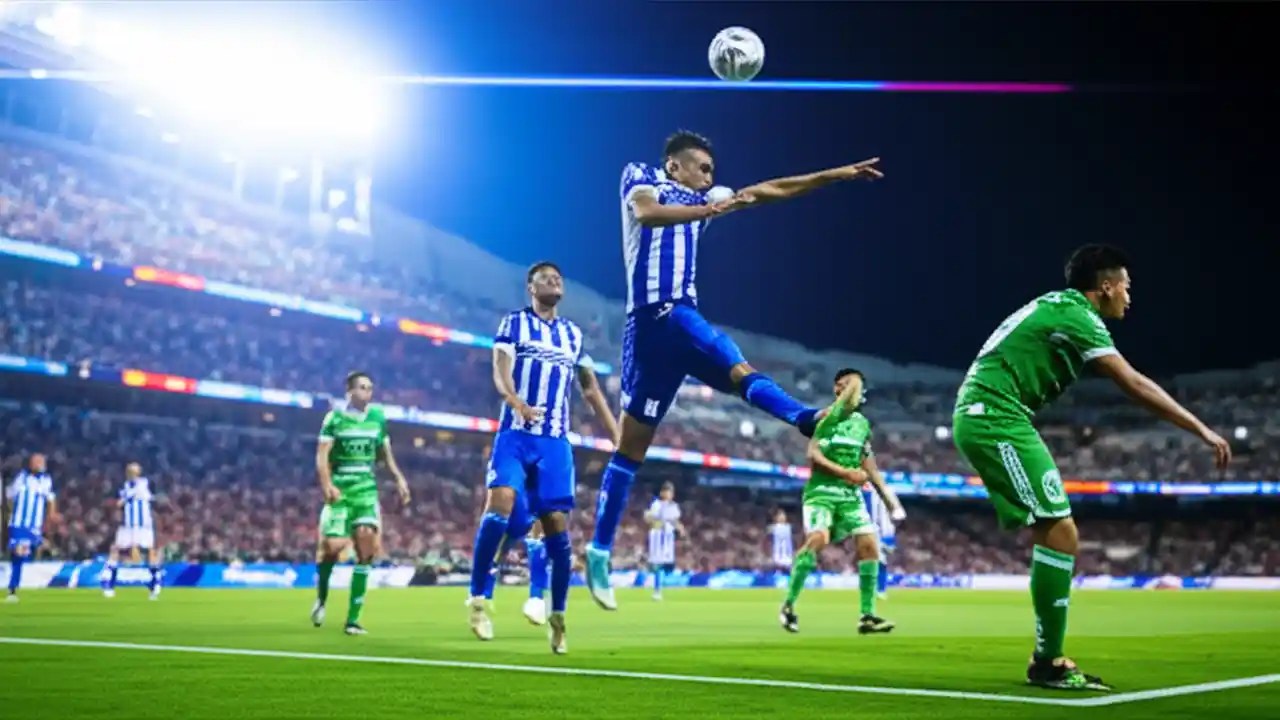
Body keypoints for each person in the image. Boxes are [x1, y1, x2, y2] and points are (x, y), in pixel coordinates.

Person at [587, 130, 883, 610]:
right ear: (675, 165)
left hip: (682, 318)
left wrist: (835, 175)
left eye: (712, 172)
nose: (710, 177)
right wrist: (708, 209)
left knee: (734, 364)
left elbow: (772, 190)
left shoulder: (711, 200)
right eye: (702, 168)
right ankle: (599, 549)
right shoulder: (642, 176)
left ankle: (804, 418)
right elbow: (645, 212)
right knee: (629, 449)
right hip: (649, 322)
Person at [952, 244, 1232, 691]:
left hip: (996, 415)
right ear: (1105, 286)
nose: (1129, 297)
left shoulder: (1058, 306)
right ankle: (1048, 662)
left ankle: (1048, 659)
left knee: (1056, 530)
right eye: (1126, 286)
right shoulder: (1079, 316)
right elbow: (1134, 383)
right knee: (1059, 529)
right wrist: (1200, 428)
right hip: (994, 417)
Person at [468, 261, 619, 654]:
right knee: (499, 506)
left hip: (555, 443)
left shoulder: (572, 335)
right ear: (530, 286)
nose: (554, 281)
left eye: (559, 278)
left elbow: (590, 390)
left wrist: (617, 435)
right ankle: (479, 600)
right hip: (516, 435)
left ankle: (558, 617)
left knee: (556, 531)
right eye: (545, 278)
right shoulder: (513, 324)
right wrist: (514, 400)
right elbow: (500, 369)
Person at [779, 369, 905, 635]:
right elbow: (813, 453)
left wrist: (891, 502)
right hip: (821, 492)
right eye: (837, 385)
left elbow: (870, 468)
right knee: (818, 539)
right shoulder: (827, 417)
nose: (840, 389)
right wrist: (846, 472)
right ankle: (788, 606)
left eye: (845, 385)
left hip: (850, 497)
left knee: (870, 546)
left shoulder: (862, 426)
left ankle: (867, 616)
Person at [312, 371, 412, 635]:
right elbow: (322, 457)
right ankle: (321, 598)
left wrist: (399, 478)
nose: (368, 393)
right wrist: (327, 485)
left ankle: (353, 620)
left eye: (370, 388)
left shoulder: (377, 418)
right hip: (340, 491)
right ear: (349, 391)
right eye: (362, 388)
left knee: (367, 546)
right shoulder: (334, 419)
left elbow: (385, 453)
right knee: (331, 548)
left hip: (366, 490)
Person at [101, 463, 162, 600]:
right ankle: (108, 584)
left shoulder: (145, 483)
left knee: (150, 551)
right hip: (128, 525)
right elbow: (117, 503)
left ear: (138, 472)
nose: (131, 473)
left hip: (143, 525)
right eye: (129, 470)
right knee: (115, 550)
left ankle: (155, 585)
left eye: (134, 470)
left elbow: (155, 496)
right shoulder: (123, 486)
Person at [5, 454, 57, 603]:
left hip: (34, 526)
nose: (41, 464)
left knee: (24, 554)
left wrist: (51, 515)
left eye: (43, 461)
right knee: (19, 552)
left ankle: (45, 547)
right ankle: (13, 589)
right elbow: (10, 498)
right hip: (19, 524)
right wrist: (11, 514)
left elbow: (50, 499)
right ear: (31, 463)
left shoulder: (46, 480)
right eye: (38, 461)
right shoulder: (21, 478)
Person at [644, 481, 684, 601]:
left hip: (668, 536)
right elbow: (649, 518)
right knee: (658, 563)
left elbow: (674, 521)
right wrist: (651, 519)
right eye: (666, 491)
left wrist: (680, 528)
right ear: (662, 493)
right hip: (658, 535)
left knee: (666, 562)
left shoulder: (674, 506)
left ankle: (662, 585)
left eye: (670, 492)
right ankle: (657, 590)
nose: (668, 494)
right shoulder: (657, 504)